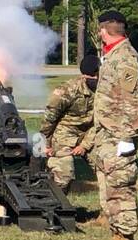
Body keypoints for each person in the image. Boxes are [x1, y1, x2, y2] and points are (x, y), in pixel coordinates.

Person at [88, 11, 138, 240]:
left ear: (103, 31)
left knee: (121, 188)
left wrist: (126, 140)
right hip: (107, 134)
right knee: (111, 189)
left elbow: (132, 102)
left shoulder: (126, 58)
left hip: (120, 136)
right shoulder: (112, 56)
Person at [39, 55, 99, 195]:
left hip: (91, 134)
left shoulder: (105, 91)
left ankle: (110, 211)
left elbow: (101, 122)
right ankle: (55, 205)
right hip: (63, 135)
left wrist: (84, 145)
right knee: (63, 175)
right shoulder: (67, 90)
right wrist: (45, 144)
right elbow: (49, 119)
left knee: (108, 169)